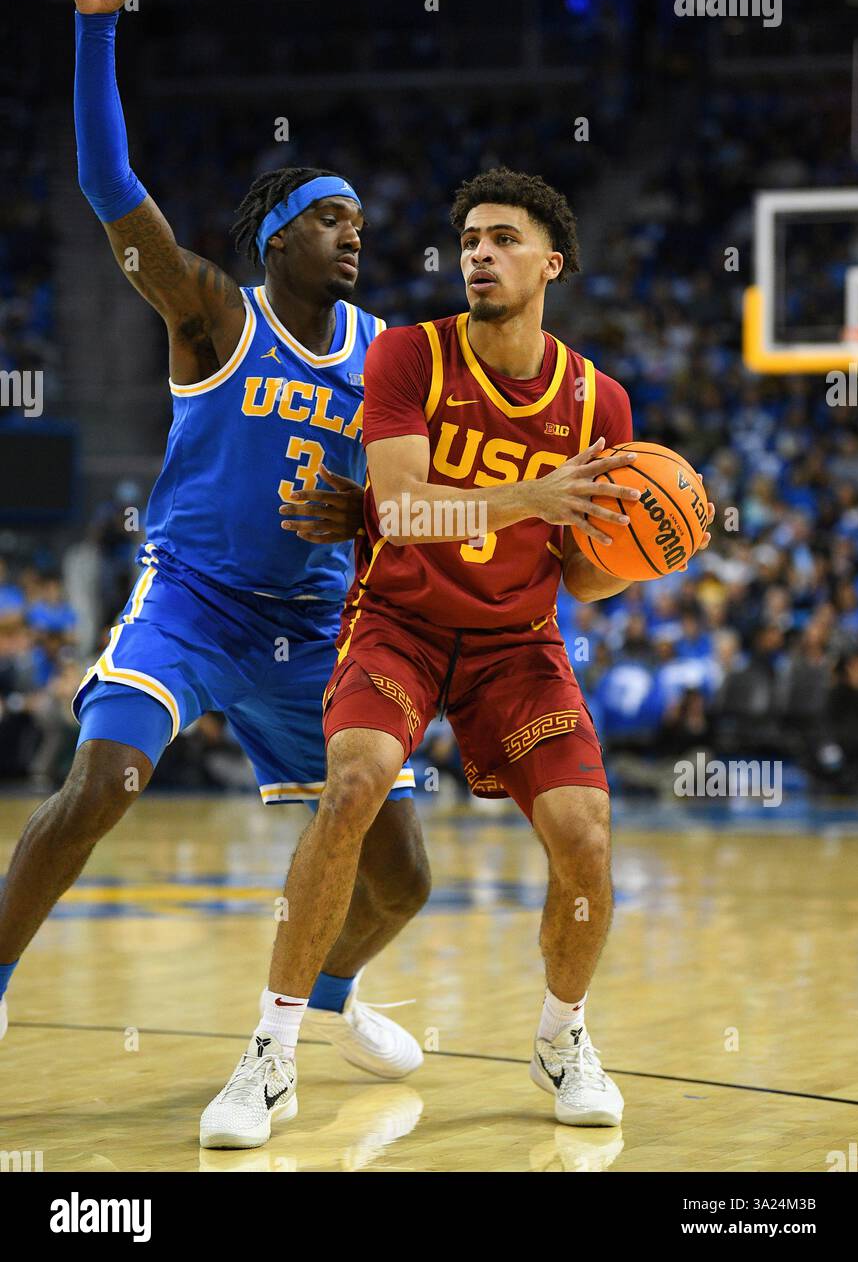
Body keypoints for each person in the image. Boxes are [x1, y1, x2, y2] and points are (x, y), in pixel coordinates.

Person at [0, 0, 430, 1135]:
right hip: (192, 598)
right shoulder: (209, 311)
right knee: (103, 779)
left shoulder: (389, 353)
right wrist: (96, 28)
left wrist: (366, 512)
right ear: (277, 237)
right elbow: (106, 180)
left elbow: (403, 498)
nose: (355, 232)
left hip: (312, 628)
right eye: (330, 216)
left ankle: (334, 996)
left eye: (359, 215)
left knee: (404, 876)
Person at [202, 165, 714, 1139]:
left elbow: (580, 573)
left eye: (503, 238)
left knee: (587, 837)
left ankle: (561, 1037)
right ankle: (268, 1054)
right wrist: (530, 495)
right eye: (470, 238)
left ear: (550, 262)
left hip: (515, 642)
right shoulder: (407, 357)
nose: (479, 252)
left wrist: (644, 551)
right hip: (398, 620)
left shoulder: (597, 401)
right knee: (351, 787)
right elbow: (395, 508)